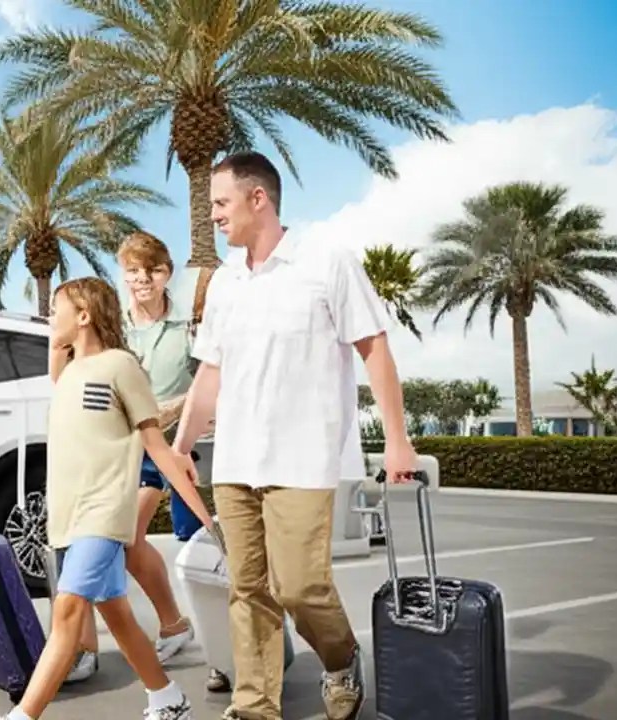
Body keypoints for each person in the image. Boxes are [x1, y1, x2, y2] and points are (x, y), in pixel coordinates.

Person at [171, 151, 417, 720]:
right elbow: (210, 373)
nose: (214, 215)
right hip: (234, 460)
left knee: (300, 587)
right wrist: (181, 449)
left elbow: (374, 349)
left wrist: (398, 440)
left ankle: (340, 655)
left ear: (259, 199)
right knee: (248, 589)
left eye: (221, 203)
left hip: (304, 458)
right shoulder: (226, 282)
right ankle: (255, 704)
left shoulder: (326, 261)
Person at [0, 277, 207, 720]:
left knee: (68, 612)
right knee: (119, 617)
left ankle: (23, 717)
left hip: (105, 511)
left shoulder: (120, 366)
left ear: (85, 316)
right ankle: (167, 698)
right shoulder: (68, 374)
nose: (51, 318)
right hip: (70, 515)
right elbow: (58, 362)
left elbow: (155, 445)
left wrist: (207, 518)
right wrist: (58, 341)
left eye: (58, 310)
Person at [62, 232, 226, 692]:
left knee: (176, 541)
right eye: (133, 271)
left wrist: (176, 410)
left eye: (151, 270)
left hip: (177, 446)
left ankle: (209, 642)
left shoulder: (190, 322)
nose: (142, 280)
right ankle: (174, 626)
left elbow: (213, 379)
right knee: (132, 539)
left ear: (167, 273)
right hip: (128, 447)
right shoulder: (117, 329)